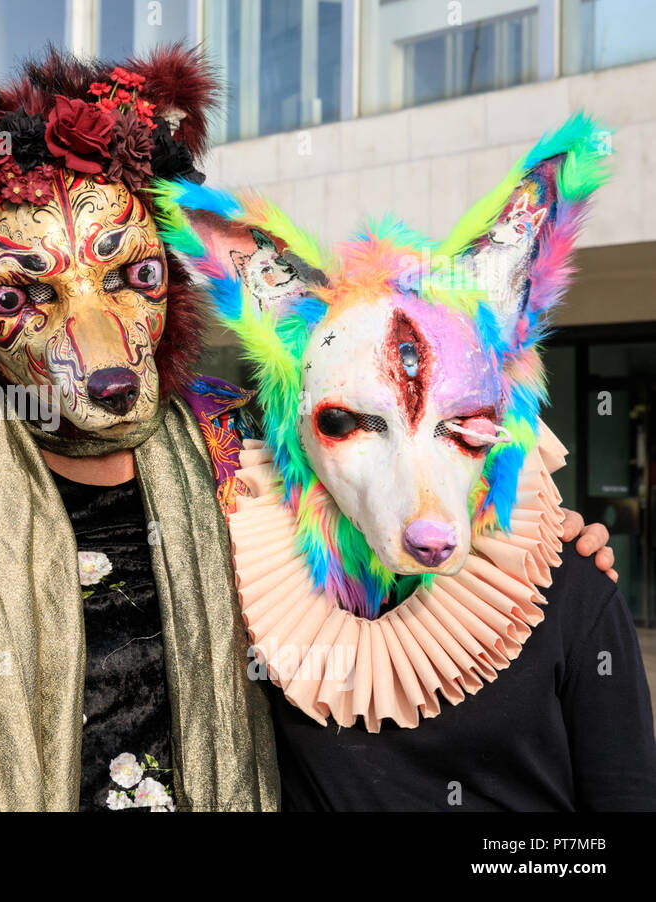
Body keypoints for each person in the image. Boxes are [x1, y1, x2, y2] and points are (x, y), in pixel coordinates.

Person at [0, 47, 624, 813]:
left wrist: (554, 547)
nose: (100, 349)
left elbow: (394, 512)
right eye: (22, 295)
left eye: (130, 273)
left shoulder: (237, 438)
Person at [157, 112, 656, 810]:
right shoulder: (254, 587)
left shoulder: (575, 595)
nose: (424, 513)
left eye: (463, 427)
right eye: (350, 422)